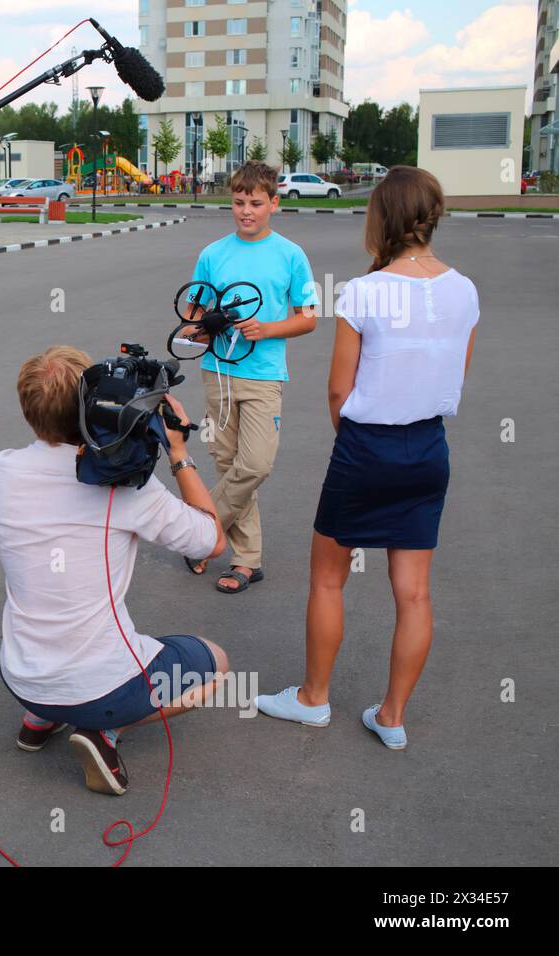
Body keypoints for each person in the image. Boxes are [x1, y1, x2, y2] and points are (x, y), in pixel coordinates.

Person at [255, 166, 478, 750]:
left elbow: (338, 391)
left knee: (328, 579)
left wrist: (352, 440)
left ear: (382, 218)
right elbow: (458, 373)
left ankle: (313, 699)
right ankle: (393, 716)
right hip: (429, 447)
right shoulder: (464, 290)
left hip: (366, 447)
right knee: (414, 592)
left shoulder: (363, 291)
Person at [0, 346, 230, 795]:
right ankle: (105, 732)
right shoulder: (125, 488)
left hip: (19, 674)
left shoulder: (1, 470)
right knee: (215, 665)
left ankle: (39, 720)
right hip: (94, 686)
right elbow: (212, 542)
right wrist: (177, 453)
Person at [181, 160, 319, 594]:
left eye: (256, 203)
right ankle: (247, 560)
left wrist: (268, 329)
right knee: (227, 464)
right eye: (239, 202)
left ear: (274, 203)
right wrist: (197, 325)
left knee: (255, 465)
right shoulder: (213, 254)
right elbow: (193, 309)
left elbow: (309, 318)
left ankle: (202, 534)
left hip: (264, 375)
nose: (246, 211)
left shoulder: (290, 254)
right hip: (216, 371)